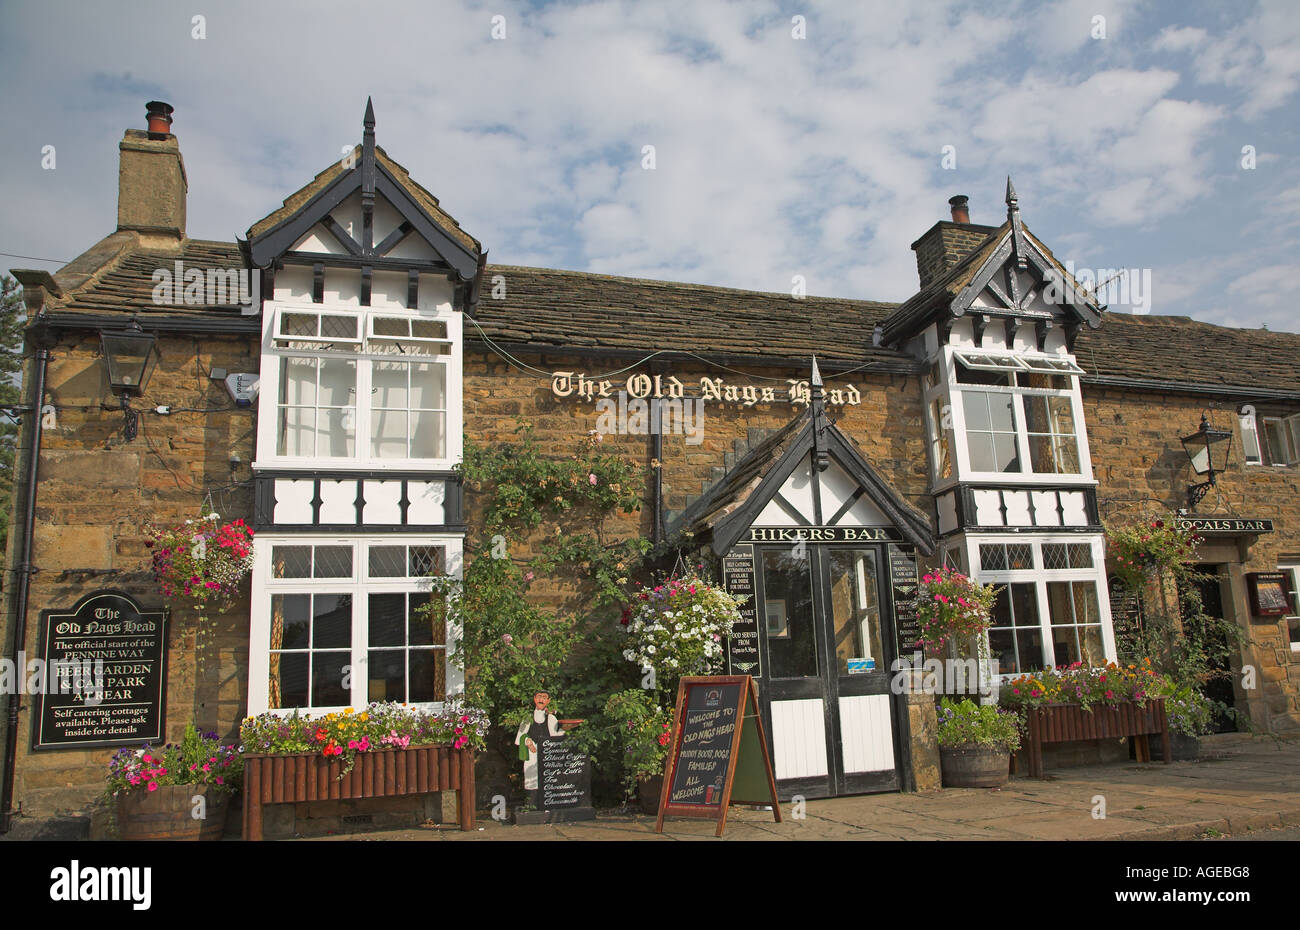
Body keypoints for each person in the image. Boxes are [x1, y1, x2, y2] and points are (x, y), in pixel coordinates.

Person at [515, 690, 565, 806]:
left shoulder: (551, 718)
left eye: (544, 697)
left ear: (548, 701)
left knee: (548, 777)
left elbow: (558, 738)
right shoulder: (527, 718)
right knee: (531, 776)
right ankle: (531, 804)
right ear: (534, 699)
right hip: (532, 753)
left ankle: (548, 803)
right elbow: (520, 737)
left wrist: (565, 729)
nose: (541, 699)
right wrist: (527, 741)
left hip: (547, 754)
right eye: (539, 696)